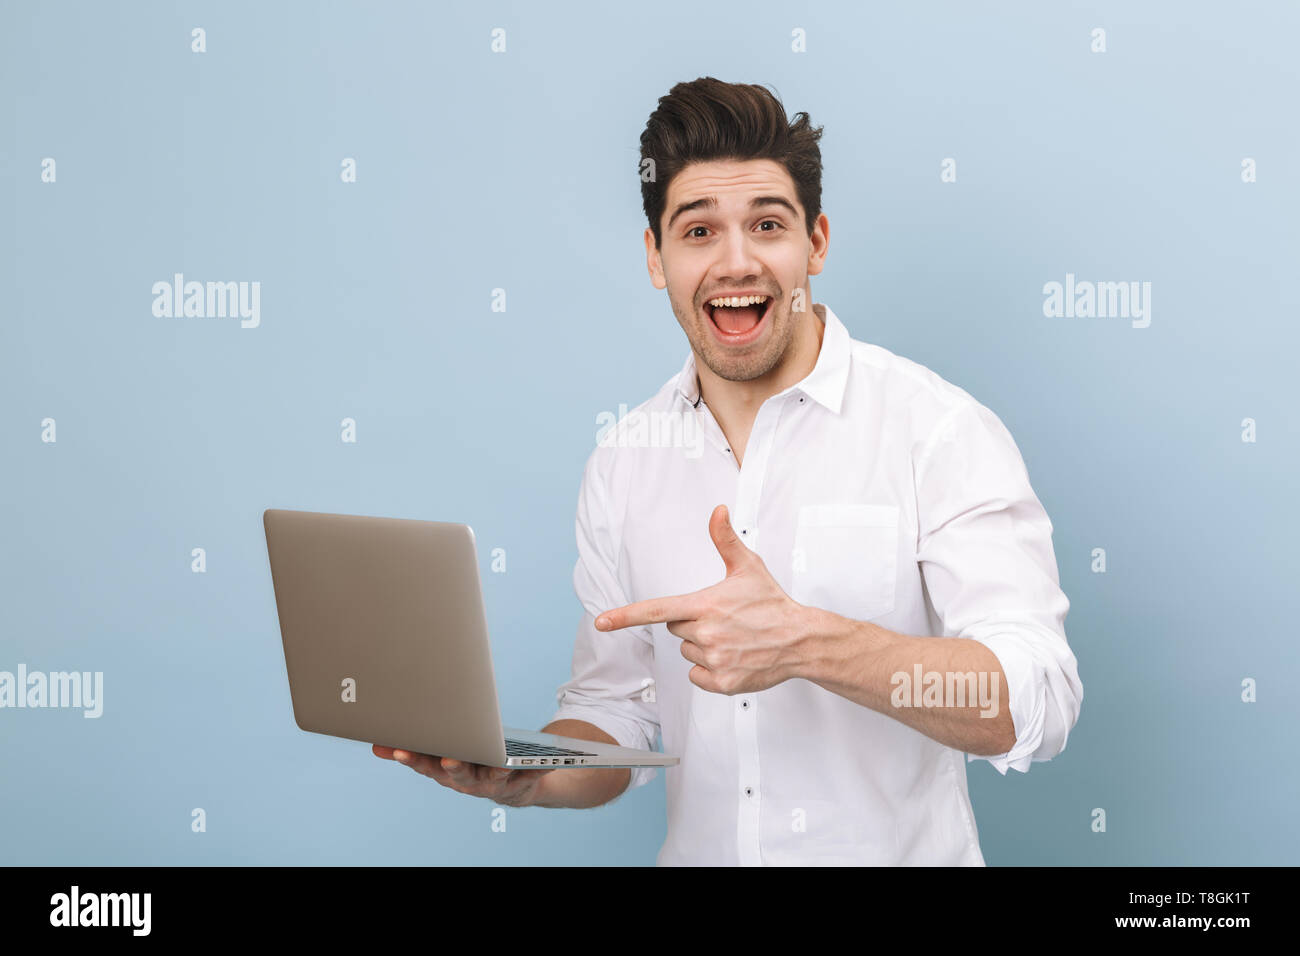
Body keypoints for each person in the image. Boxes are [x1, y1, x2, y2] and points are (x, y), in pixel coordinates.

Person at [373, 76, 1083, 865]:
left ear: (814, 242)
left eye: (767, 225)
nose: (736, 261)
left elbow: (1036, 703)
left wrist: (807, 643)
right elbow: (618, 714)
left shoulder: (937, 430)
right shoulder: (624, 458)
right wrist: (528, 773)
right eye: (699, 230)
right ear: (657, 257)